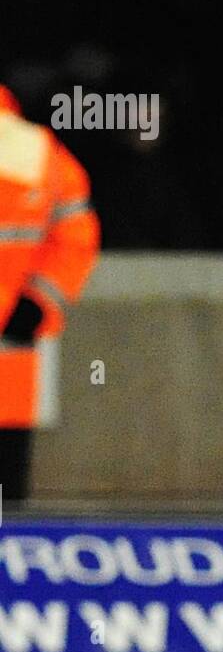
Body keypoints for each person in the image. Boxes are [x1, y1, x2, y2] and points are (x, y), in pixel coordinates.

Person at [0, 84, 100, 501]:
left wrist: (38, 303)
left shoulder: (31, 150)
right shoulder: (33, 149)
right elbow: (76, 236)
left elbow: (75, 236)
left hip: (12, 347)